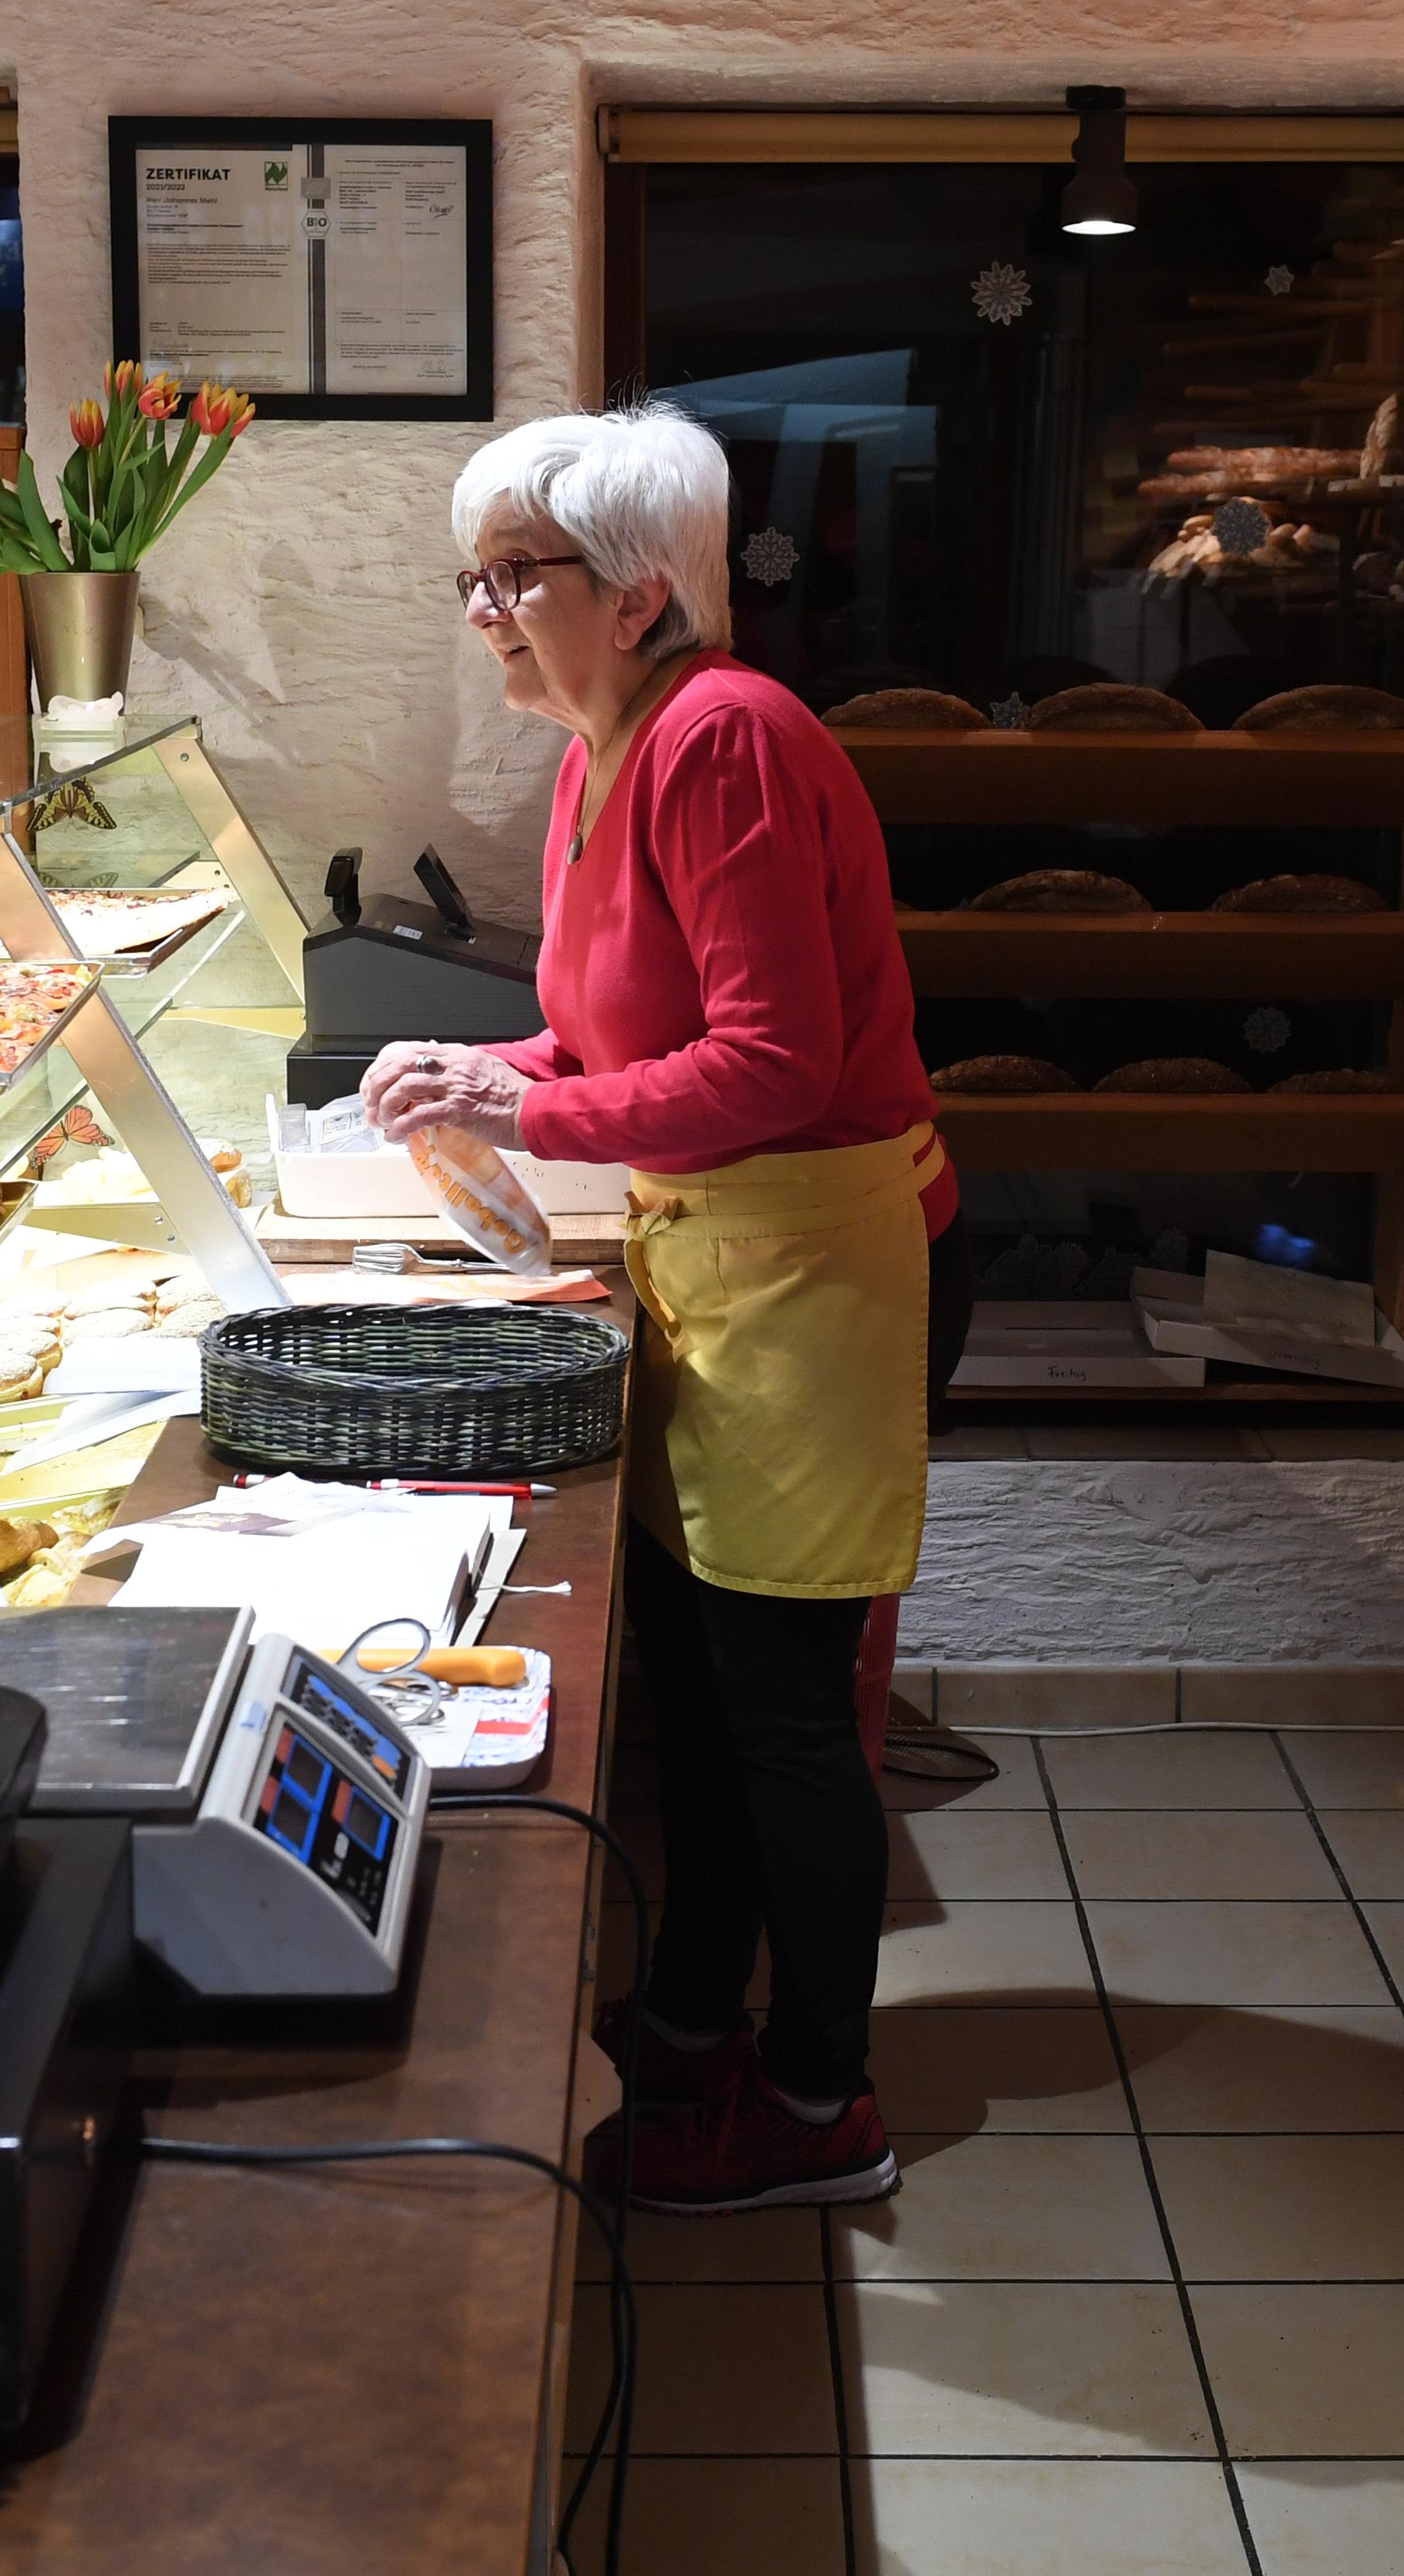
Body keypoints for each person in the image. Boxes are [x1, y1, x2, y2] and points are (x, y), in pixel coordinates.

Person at [367, 404, 955, 2216]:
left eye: (514, 574)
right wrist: (490, 1062)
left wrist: (526, 1112)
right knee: (699, 1696)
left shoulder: (729, 740)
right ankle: (697, 2016)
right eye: (470, 574)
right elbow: (632, 1032)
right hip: (718, 1258)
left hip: (819, 1270)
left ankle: (819, 2097)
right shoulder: (598, 749)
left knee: (782, 1710)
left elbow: (770, 1065)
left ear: (636, 594)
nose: (483, 609)